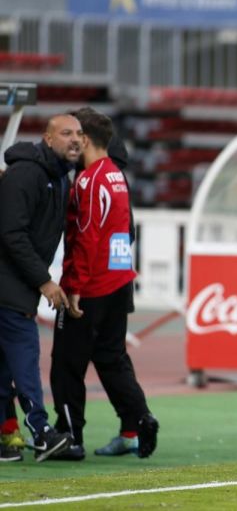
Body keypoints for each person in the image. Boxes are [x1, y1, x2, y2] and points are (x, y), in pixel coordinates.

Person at [49, 108, 158, 461]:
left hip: (92, 284)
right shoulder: (115, 175)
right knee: (112, 357)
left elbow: (87, 236)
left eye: (77, 135)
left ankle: (69, 436)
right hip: (119, 279)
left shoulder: (89, 180)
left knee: (66, 364)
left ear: (86, 138)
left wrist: (74, 285)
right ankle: (139, 419)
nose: (74, 141)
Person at [0, 114, 80, 462]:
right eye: (66, 134)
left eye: (78, 134)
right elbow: (12, 234)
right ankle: (41, 431)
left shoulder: (59, 177)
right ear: (48, 139)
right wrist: (44, 281)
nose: (75, 139)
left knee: (6, 366)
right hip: (9, 284)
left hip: (17, 284)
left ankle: (6, 438)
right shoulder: (27, 175)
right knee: (25, 358)